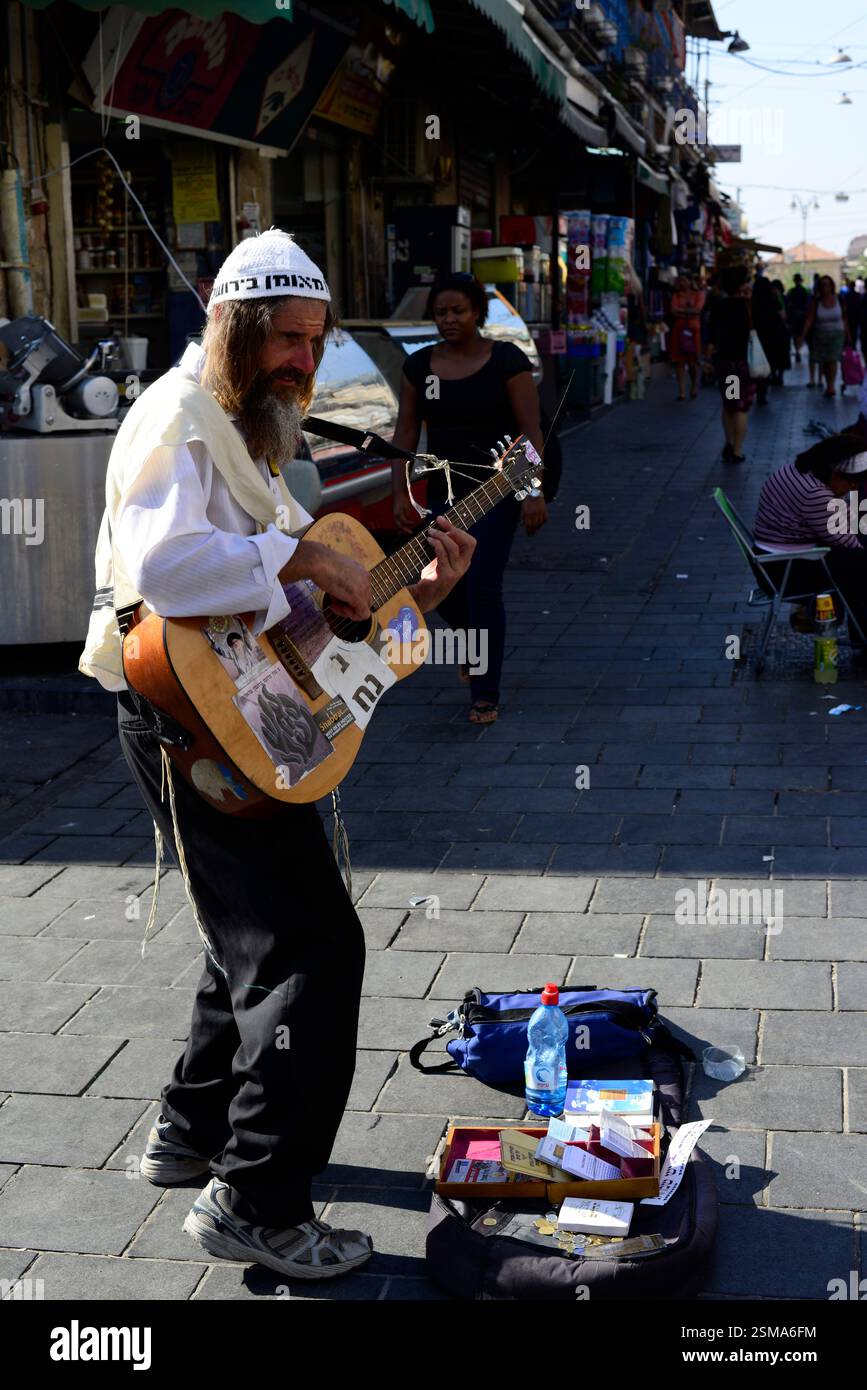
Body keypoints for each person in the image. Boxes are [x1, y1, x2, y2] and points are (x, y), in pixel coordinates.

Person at [78, 230, 474, 1281]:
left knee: (246, 933)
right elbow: (168, 565)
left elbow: (312, 608)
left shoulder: (250, 431)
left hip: (240, 715)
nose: (303, 361)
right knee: (314, 950)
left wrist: (417, 594)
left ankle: (187, 1130)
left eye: (316, 341)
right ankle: (257, 1197)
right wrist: (293, 550)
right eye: (285, 340)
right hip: (187, 720)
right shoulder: (178, 419)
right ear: (235, 330)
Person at [392, 271, 547, 724]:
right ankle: (470, 645)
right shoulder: (418, 367)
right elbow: (405, 434)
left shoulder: (507, 361)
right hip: (443, 496)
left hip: (497, 493)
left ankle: (485, 692)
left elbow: (530, 432)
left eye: (458, 310)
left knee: (482, 586)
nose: (449, 319)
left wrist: (533, 492)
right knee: (435, 584)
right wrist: (401, 491)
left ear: (478, 311)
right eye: (441, 312)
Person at [753, 431, 867, 649]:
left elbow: (842, 516)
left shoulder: (797, 469)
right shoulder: (815, 494)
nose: (854, 489)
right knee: (858, 565)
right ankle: (861, 639)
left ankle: (860, 637)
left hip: (771, 557)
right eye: (852, 483)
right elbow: (848, 542)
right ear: (835, 473)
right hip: (786, 570)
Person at [705, 264, 754, 463]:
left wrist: (708, 359)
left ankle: (729, 442)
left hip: (725, 362)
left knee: (729, 405)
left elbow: (711, 335)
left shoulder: (719, 305)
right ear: (742, 284)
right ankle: (736, 449)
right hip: (741, 363)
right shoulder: (748, 305)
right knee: (739, 407)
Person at [799, 275, 850, 398]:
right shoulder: (816, 302)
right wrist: (802, 336)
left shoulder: (839, 299)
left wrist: (849, 334)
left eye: (827, 284)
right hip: (820, 334)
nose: (825, 287)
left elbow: (844, 318)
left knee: (832, 360)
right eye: (823, 285)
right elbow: (809, 319)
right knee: (825, 361)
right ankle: (828, 384)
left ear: (832, 286)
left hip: (837, 333)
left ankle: (831, 386)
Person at [751, 274, 790, 401]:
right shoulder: (774, 299)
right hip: (773, 335)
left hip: (754, 337)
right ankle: (762, 391)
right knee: (768, 363)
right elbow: (783, 316)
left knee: (732, 400)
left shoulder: (750, 301)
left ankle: (737, 399)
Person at [667, 272, 705, 399]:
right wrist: (689, 312)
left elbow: (698, 310)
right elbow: (673, 311)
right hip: (680, 329)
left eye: (683, 280)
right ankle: (682, 391)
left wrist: (681, 311)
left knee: (693, 362)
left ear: (690, 281)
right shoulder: (676, 295)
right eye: (680, 281)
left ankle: (694, 385)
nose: (681, 283)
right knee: (679, 361)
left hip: (694, 331)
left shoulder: (699, 294)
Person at [785, 273, 811, 364]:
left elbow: (788, 304)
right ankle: (798, 350)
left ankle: (797, 350)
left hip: (794, 316)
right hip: (802, 316)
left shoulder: (791, 291)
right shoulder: (805, 291)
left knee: (796, 335)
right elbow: (808, 304)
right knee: (800, 334)